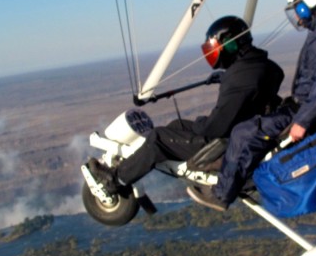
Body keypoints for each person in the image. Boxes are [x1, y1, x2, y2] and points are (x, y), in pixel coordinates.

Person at [187, 0, 316, 211]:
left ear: (305, 6)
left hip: (303, 113)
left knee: (243, 133)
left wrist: (302, 122)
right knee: (253, 124)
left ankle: (222, 195)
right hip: (300, 108)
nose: (296, 16)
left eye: (297, 9)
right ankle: (230, 170)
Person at [83, 15, 283, 197]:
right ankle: (130, 167)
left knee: (158, 139)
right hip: (243, 132)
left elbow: (216, 128)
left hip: (224, 144)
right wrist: (226, 79)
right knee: (177, 126)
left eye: (214, 48)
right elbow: (247, 96)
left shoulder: (240, 77)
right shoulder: (266, 67)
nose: (212, 53)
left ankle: (115, 181)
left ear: (229, 44)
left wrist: (203, 123)